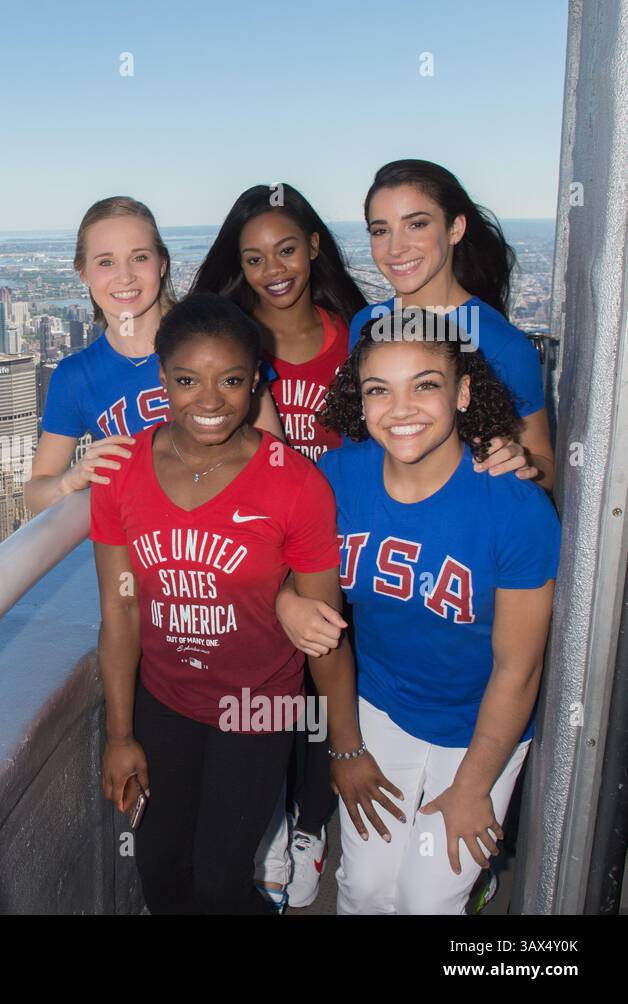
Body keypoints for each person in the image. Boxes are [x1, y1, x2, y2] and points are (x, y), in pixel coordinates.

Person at [90, 293, 353, 913]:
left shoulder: (295, 484)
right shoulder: (122, 474)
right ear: (163, 379)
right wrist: (120, 733)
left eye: (231, 380)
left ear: (257, 380)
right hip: (165, 705)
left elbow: (323, 633)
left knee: (219, 882)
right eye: (187, 380)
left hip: (257, 711)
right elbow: (121, 611)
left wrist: (346, 749)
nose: (208, 401)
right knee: (160, 872)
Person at [308, 309, 559, 914]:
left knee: (427, 894)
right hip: (382, 705)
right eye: (378, 390)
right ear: (359, 399)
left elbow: (517, 669)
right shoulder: (335, 479)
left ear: (463, 391)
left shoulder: (516, 508)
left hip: (480, 726)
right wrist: (344, 748)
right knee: (365, 886)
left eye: (425, 384)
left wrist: (474, 785)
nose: (401, 409)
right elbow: (276, 575)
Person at [190, 183, 368, 908]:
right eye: (254, 256)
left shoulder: (359, 334)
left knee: (334, 675)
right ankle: (278, 818)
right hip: (267, 548)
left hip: (350, 541)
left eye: (287, 249)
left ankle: (312, 820)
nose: (273, 269)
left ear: (315, 247)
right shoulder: (234, 343)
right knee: (274, 687)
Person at [25, 196, 284, 516]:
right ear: (83, 274)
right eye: (105, 262)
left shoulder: (218, 334)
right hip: (147, 552)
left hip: (235, 535)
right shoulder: (75, 376)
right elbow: (36, 491)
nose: (125, 276)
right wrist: (71, 480)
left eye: (140, 257)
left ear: (162, 264)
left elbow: (275, 456)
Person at [349, 159, 554, 489]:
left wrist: (518, 460)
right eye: (381, 230)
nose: (396, 248)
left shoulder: (501, 343)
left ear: (455, 228)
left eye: (416, 225)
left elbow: (546, 467)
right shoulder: (365, 324)